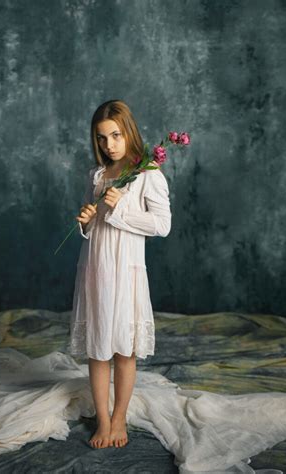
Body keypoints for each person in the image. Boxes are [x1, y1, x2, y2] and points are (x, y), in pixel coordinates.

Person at [67, 99, 172, 450]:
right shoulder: (97, 176)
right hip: (96, 269)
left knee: (124, 350)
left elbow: (162, 225)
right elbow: (94, 223)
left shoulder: (147, 174)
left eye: (115, 135)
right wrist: (86, 222)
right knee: (98, 349)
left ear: (128, 132)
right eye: (102, 138)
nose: (109, 145)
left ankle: (119, 417)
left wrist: (119, 210)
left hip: (125, 270)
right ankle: (102, 418)